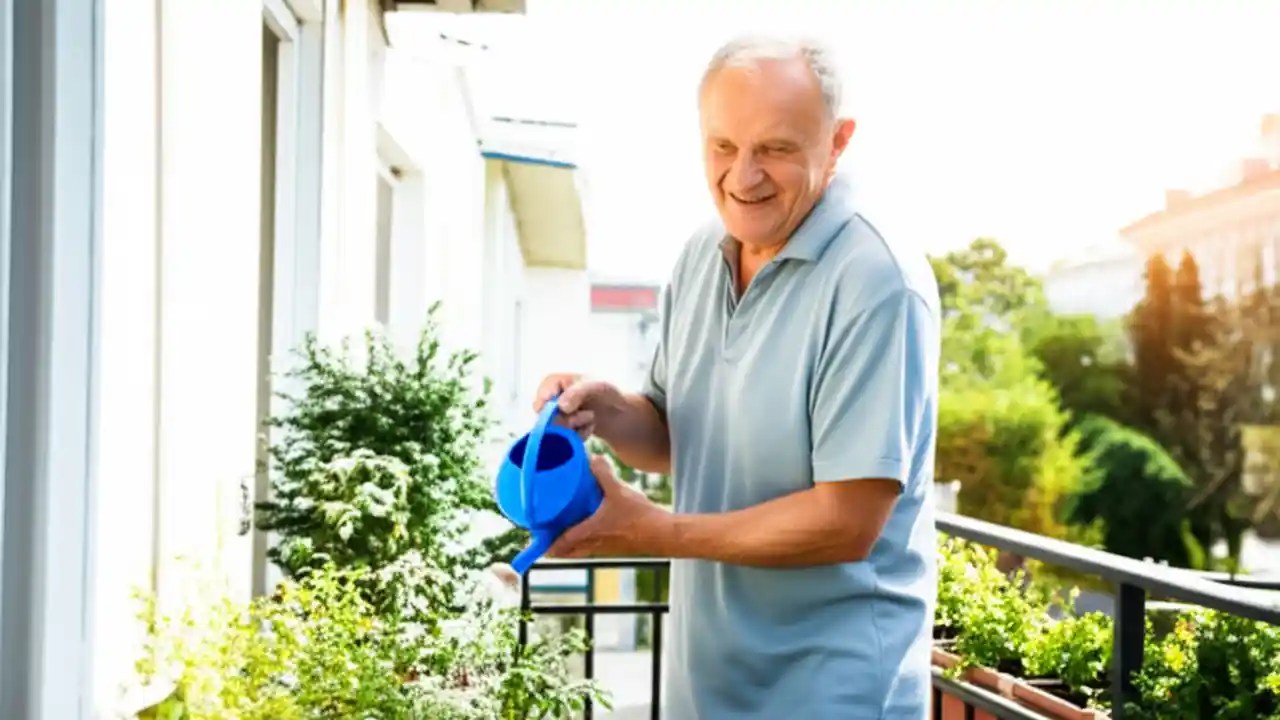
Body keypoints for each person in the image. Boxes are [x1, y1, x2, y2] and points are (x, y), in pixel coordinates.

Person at [531, 34, 941, 719]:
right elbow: (674, 438)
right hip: (707, 687)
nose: (743, 177)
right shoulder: (702, 254)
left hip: (830, 695)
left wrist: (653, 531)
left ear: (837, 141)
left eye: (775, 148)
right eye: (723, 146)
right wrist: (608, 410)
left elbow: (846, 522)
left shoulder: (877, 281)